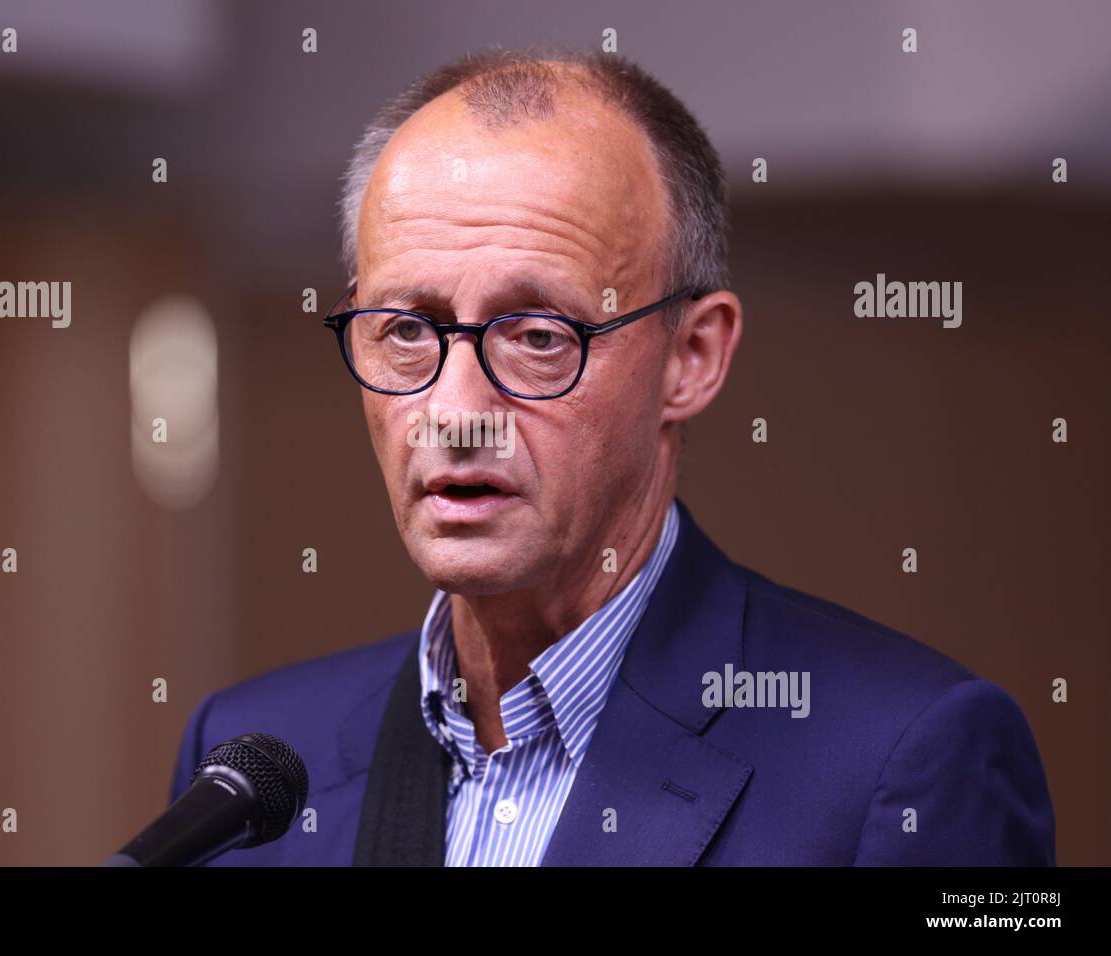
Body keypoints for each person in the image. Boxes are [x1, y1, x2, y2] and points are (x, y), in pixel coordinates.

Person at [171, 48, 1055, 866]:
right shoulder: (252, 768)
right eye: (406, 330)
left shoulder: (906, 757)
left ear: (692, 357)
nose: (456, 412)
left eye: (539, 336)